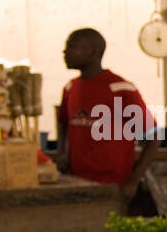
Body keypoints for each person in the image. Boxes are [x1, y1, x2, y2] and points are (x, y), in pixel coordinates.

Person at [55, 28, 158, 203]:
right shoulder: (70, 88)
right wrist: (61, 152)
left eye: (72, 47)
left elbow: (153, 136)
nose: (65, 52)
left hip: (114, 185)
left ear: (92, 52)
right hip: (76, 182)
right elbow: (63, 121)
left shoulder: (121, 89)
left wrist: (133, 181)